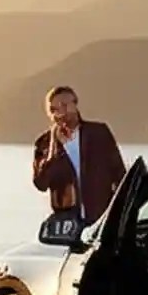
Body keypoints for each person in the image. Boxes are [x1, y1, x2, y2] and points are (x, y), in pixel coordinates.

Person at [32, 86, 126, 226]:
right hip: (68, 223)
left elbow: (119, 173)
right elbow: (41, 183)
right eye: (53, 109)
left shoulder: (98, 133)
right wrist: (54, 147)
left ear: (75, 104)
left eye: (64, 105)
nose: (60, 112)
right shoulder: (44, 143)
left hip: (101, 219)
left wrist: (120, 210)